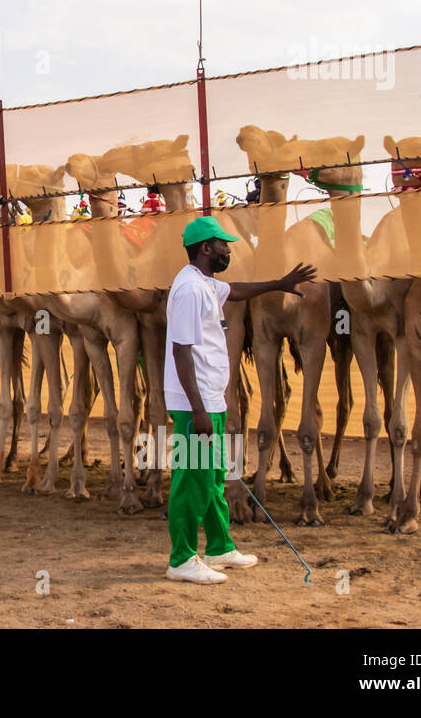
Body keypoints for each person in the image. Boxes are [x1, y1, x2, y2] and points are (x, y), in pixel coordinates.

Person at [163, 216, 316, 585]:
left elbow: (238, 290)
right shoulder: (188, 291)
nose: (228, 251)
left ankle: (218, 546)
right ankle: (182, 558)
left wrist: (279, 284)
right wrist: (197, 411)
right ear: (205, 248)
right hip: (192, 404)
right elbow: (181, 352)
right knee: (191, 480)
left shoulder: (206, 283)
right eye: (223, 246)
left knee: (215, 476)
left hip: (210, 399)